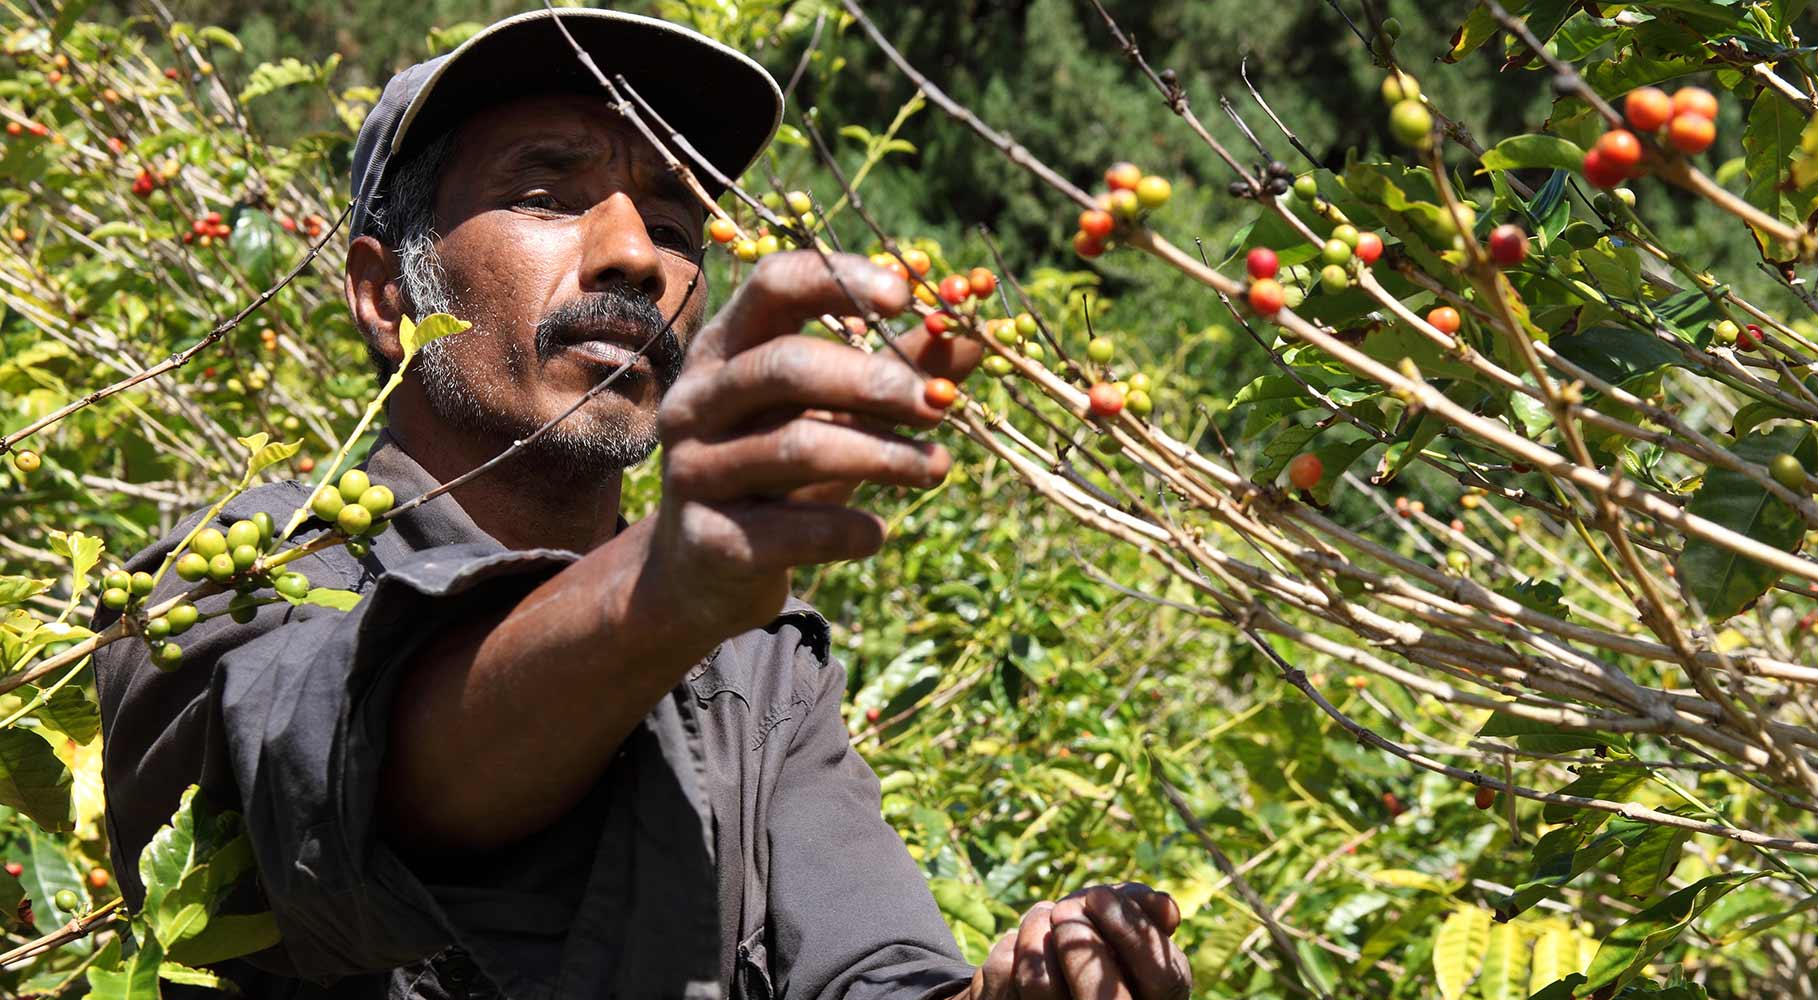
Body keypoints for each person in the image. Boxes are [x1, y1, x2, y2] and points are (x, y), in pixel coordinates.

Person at [92, 8, 1193, 1000]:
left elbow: (870, 973)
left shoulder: (753, 669)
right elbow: (345, 777)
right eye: (544, 193)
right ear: (387, 294)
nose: (634, 255)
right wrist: (665, 586)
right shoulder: (229, 582)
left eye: (673, 222)